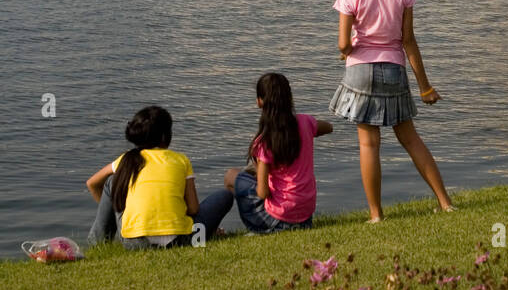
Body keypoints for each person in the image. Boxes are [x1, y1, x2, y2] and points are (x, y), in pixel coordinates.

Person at [329, 0, 453, 222]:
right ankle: (445, 202)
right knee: (411, 140)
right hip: (394, 70)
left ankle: (376, 215)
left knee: (369, 144)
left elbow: (343, 44)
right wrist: (425, 87)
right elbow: (409, 41)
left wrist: (347, 51)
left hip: (359, 71)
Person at [86, 105, 232, 249]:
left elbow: (92, 183)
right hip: (182, 240)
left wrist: (118, 211)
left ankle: (97, 244)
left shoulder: (126, 159)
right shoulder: (180, 160)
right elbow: (193, 209)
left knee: (112, 182)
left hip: (134, 243)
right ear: (164, 136)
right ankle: (205, 234)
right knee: (224, 196)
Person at [224, 72, 333, 233]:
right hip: (305, 217)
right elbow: (329, 127)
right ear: (289, 99)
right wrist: (311, 129)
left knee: (231, 176)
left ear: (260, 102)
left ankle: (257, 227)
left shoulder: (264, 141)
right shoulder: (305, 122)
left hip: (278, 220)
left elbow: (262, 193)